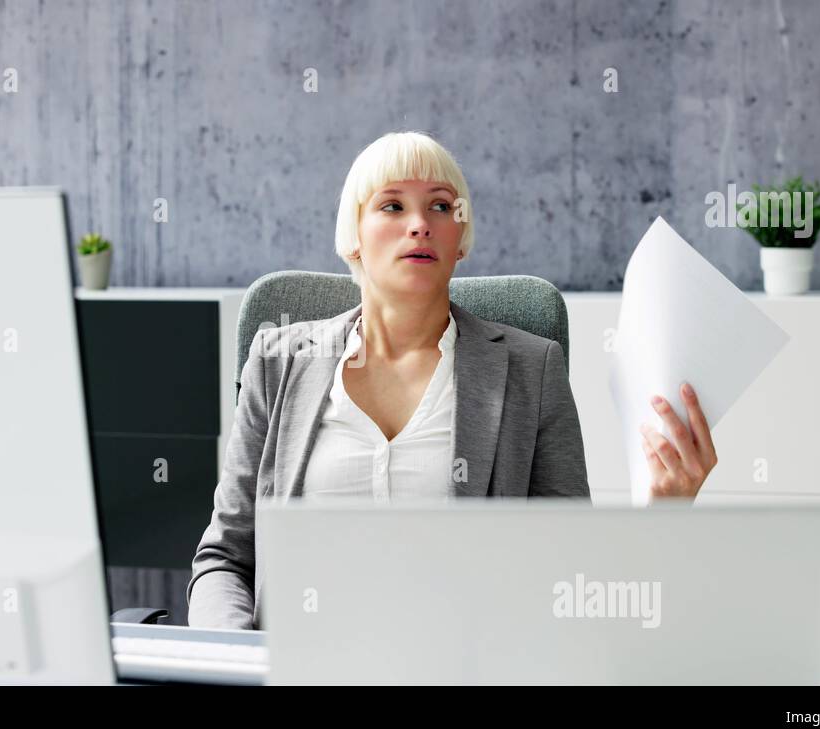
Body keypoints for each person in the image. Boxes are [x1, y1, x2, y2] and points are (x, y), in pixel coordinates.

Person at [188, 132, 717, 629]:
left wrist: (662, 515)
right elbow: (226, 558)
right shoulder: (279, 360)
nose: (420, 224)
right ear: (353, 236)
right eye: (392, 205)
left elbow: (569, 570)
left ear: (461, 237)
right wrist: (243, 660)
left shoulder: (531, 369)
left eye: (441, 206)